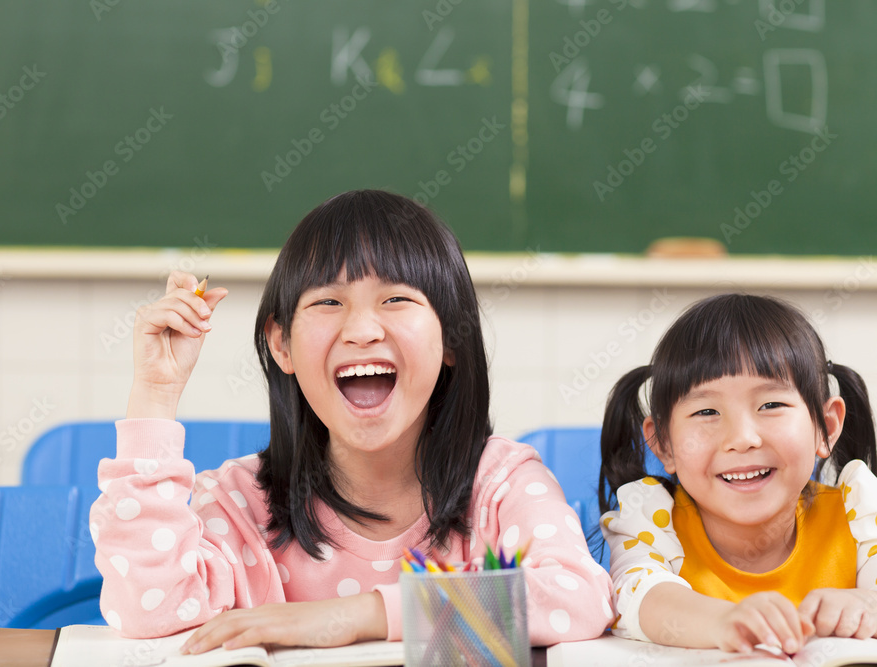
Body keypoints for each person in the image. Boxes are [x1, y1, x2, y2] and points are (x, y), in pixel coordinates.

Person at [90, 189, 613, 654]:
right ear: (282, 344)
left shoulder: (499, 484)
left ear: (451, 338)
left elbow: (581, 598)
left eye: (397, 299)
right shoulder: (241, 502)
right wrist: (156, 394)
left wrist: (360, 615)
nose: (362, 328)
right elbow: (148, 611)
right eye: (328, 301)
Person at [598, 293, 877, 654]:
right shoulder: (653, 517)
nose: (742, 439)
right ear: (664, 443)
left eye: (771, 404)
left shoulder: (858, 510)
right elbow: (636, 597)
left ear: (824, 427)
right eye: (706, 412)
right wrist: (725, 622)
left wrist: (867, 605)